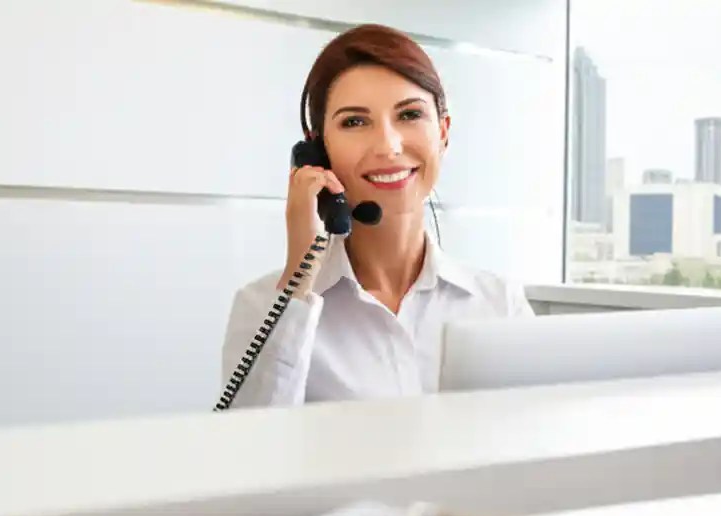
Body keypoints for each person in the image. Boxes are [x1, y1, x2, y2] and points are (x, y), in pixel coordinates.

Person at [220, 24, 533, 408]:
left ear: (444, 132)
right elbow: (252, 450)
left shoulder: (498, 304)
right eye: (355, 121)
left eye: (410, 114)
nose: (388, 146)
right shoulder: (266, 306)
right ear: (318, 151)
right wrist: (298, 278)